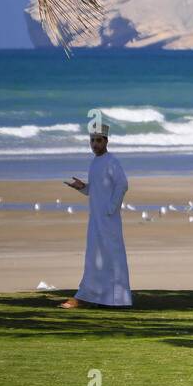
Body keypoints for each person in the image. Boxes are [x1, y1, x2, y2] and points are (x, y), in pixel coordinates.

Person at [60, 129, 132, 309]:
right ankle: (93, 296)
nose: (95, 144)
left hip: (108, 219)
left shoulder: (112, 161)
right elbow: (96, 190)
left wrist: (111, 209)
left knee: (111, 255)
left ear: (106, 141)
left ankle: (117, 298)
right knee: (95, 256)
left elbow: (122, 184)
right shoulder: (94, 163)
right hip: (96, 219)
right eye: (92, 141)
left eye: (98, 140)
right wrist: (81, 187)